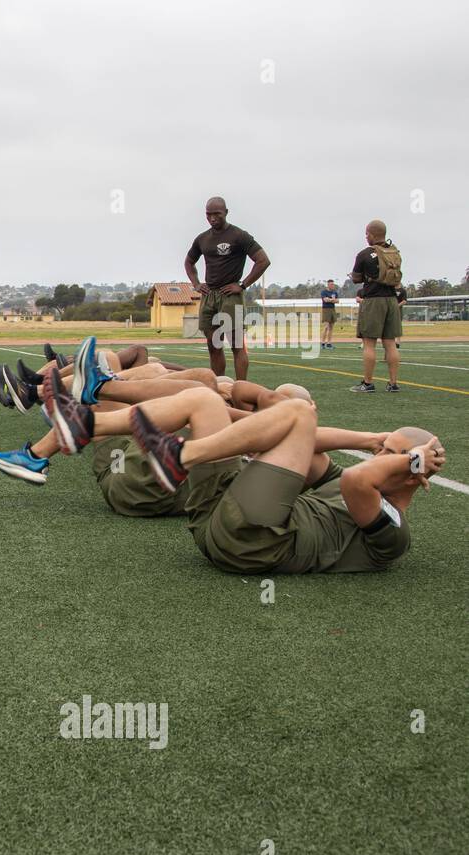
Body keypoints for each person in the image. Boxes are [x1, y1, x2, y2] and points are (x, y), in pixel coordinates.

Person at [44, 371, 444, 574]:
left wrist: (412, 460)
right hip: (218, 521)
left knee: (298, 413)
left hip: (258, 543)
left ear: (414, 475)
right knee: (203, 399)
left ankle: (180, 456)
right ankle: (86, 424)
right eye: (384, 453)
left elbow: (362, 481)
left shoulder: (395, 535)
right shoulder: (337, 479)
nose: (379, 459)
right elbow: (306, 444)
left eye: (392, 457)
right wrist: (370, 438)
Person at [183, 196, 270, 380]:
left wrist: (242, 284)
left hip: (230, 296)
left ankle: (241, 388)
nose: (212, 218)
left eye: (217, 214)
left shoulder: (239, 236)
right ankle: (219, 387)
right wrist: (197, 284)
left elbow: (263, 260)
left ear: (226, 213)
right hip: (209, 297)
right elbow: (189, 261)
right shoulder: (202, 239)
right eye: (208, 214)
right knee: (213, 346)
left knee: (237, 346)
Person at [349, 220, 403, 393]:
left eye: (367, 234)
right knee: (390, 344)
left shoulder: (365, 254)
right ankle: (393, 383)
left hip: (373, 300)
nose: (366, 237)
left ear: (371, 234)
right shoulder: (393, 252)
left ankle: (368, 383)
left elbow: (356, 278)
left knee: (369, 344)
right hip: (392, 301)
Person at [320, 279, 339, 350]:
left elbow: (337, 300)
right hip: (326, 309)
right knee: (326, 327)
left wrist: (330, 299)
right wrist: (332, 300)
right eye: (331, 284)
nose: (332, 285)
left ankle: (329, 343)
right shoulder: (324, 292)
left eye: (333, 284)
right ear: (328, 285)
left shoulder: (335, 292)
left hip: (332, 310)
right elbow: (325, 300)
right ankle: (322, 343)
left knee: (331, 327)